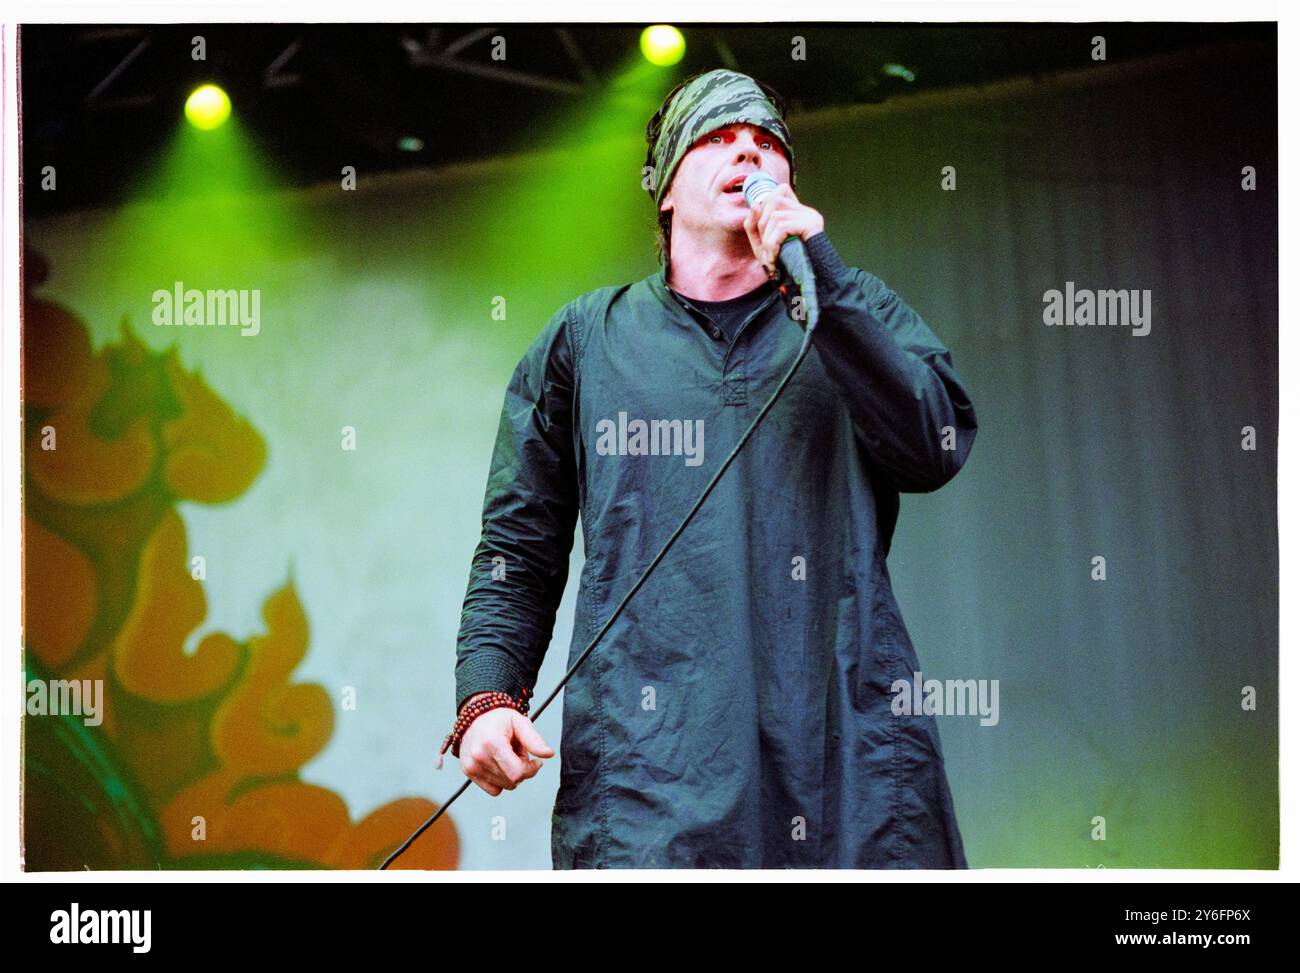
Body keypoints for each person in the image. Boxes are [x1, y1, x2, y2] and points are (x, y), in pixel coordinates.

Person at [444, 68, 978, 868]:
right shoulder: (586, 341)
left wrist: (823, 279)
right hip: (652, 779)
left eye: (767, 142)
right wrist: (487, 695)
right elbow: (517, 548)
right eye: (718, 138)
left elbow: (933, 446)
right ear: (664, 189)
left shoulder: (854, 305)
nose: (748, 153)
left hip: (848, 769)